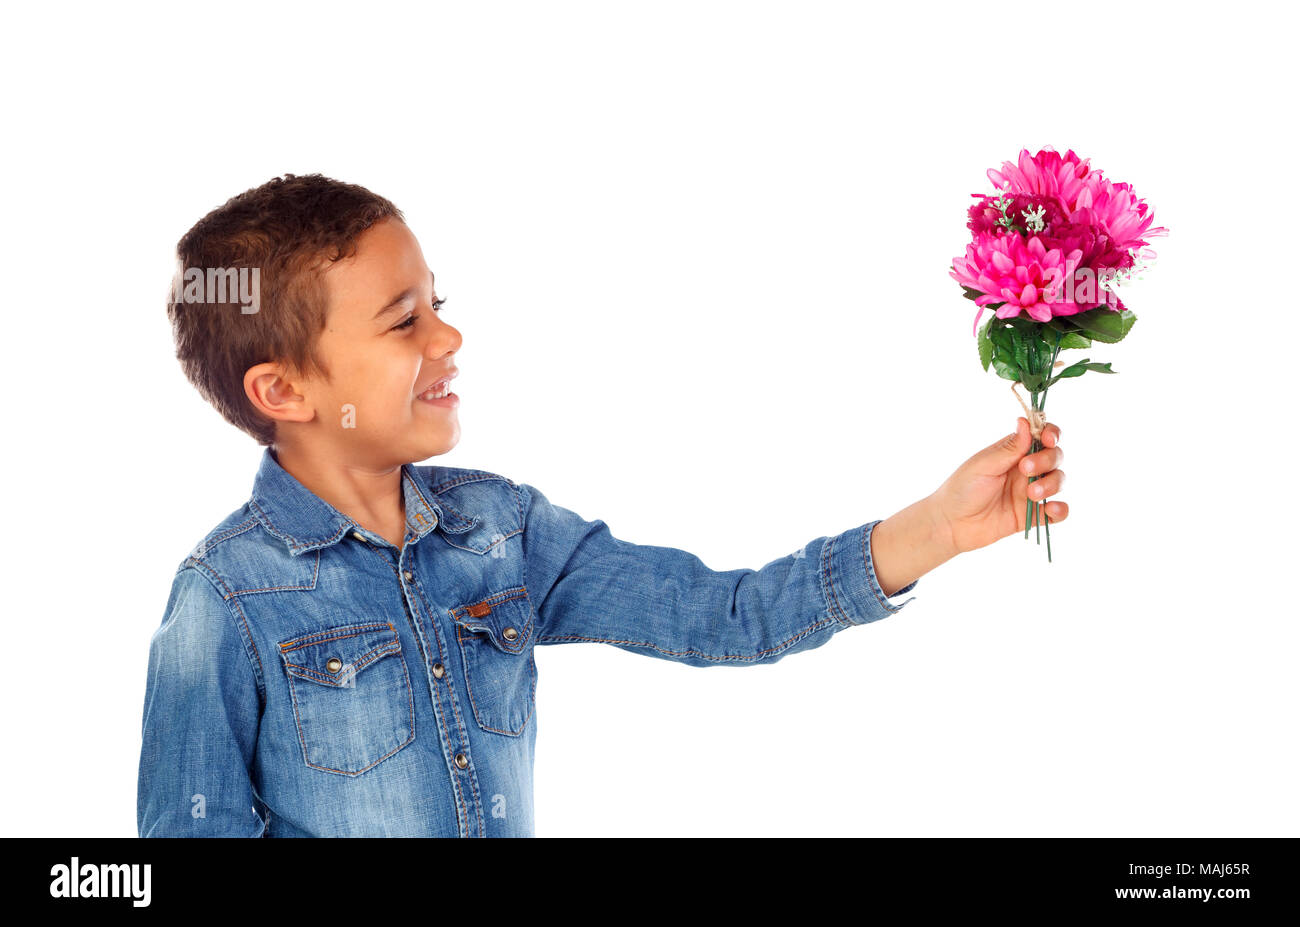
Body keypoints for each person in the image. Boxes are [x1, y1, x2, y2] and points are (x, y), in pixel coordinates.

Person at [137, 173, 1067, 837]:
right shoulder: (225, 596)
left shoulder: (501, 532)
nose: (450, 334)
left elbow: (723, 613)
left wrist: (939, 526)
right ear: (285, 392)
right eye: (403, 319)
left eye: (438, 303)